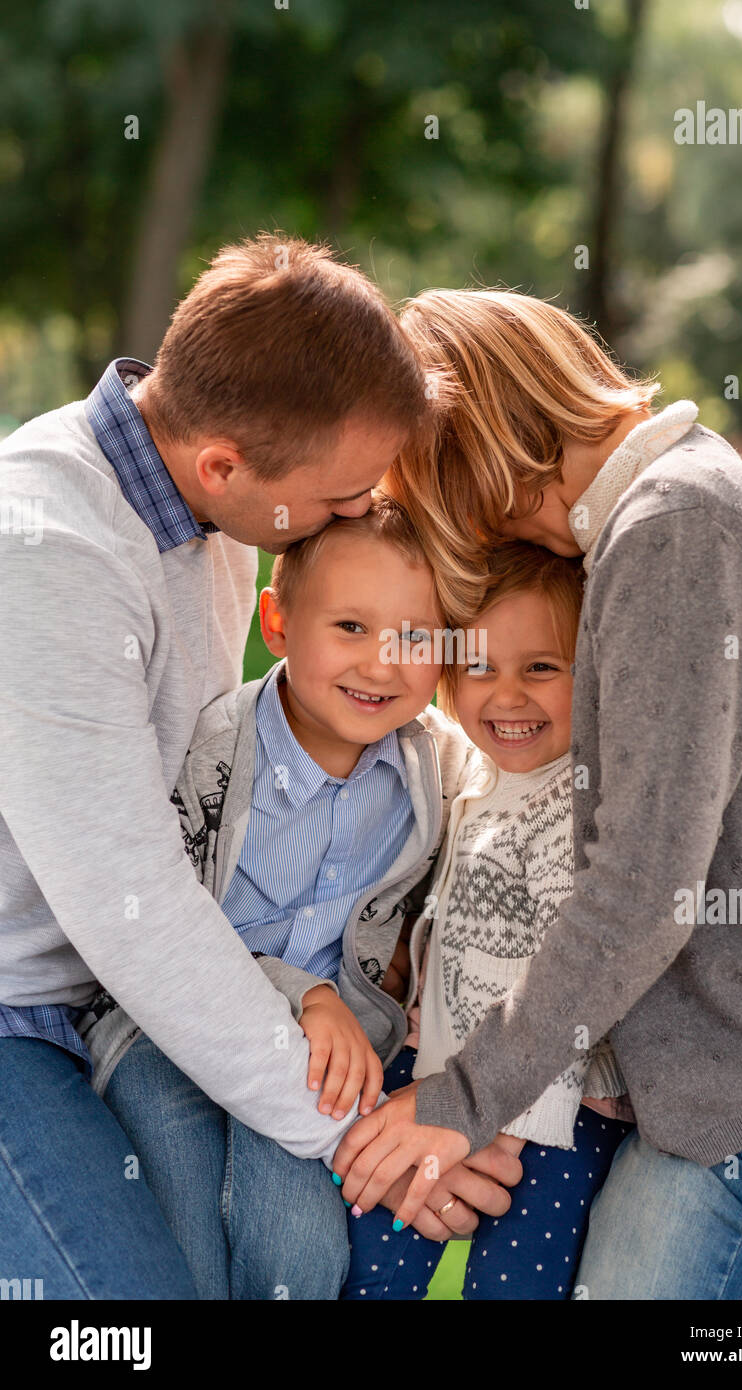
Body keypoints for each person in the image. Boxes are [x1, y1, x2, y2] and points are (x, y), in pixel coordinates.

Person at [333, 288, 742, 1300]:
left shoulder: (671, 527)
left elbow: (640, 886)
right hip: (736, 1086)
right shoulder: (660, 511)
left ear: (463, 439)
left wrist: (461, 1097)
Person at [0, 232, 432, 1298]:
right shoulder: (49, 552)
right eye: (340, 500)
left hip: (106, 999)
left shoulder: (217, 508)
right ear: (223, 464)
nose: (350, 519)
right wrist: (357, 1137)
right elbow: (129, 899)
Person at [80, 499, 523, 1298]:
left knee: (300, 1252)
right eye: (349, 627)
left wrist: (430, 994)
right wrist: (304, 991)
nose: (382, 666)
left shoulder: (439, 772)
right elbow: (161, 935)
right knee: (179, 1220)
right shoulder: (215, 756)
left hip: (330, 1062)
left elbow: (501, 863)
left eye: (415, 638)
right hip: (169, 1028)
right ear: (277, 624)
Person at [341, 542, 634, 1300]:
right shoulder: (471, 779)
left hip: (551, 1112)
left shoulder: (575, 806)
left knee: (517, 1288)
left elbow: (586, 974)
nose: (506, 696)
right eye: (479, 668)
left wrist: (499, 1115)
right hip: (431, 1078)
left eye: (541, 667)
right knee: (369, 1264)